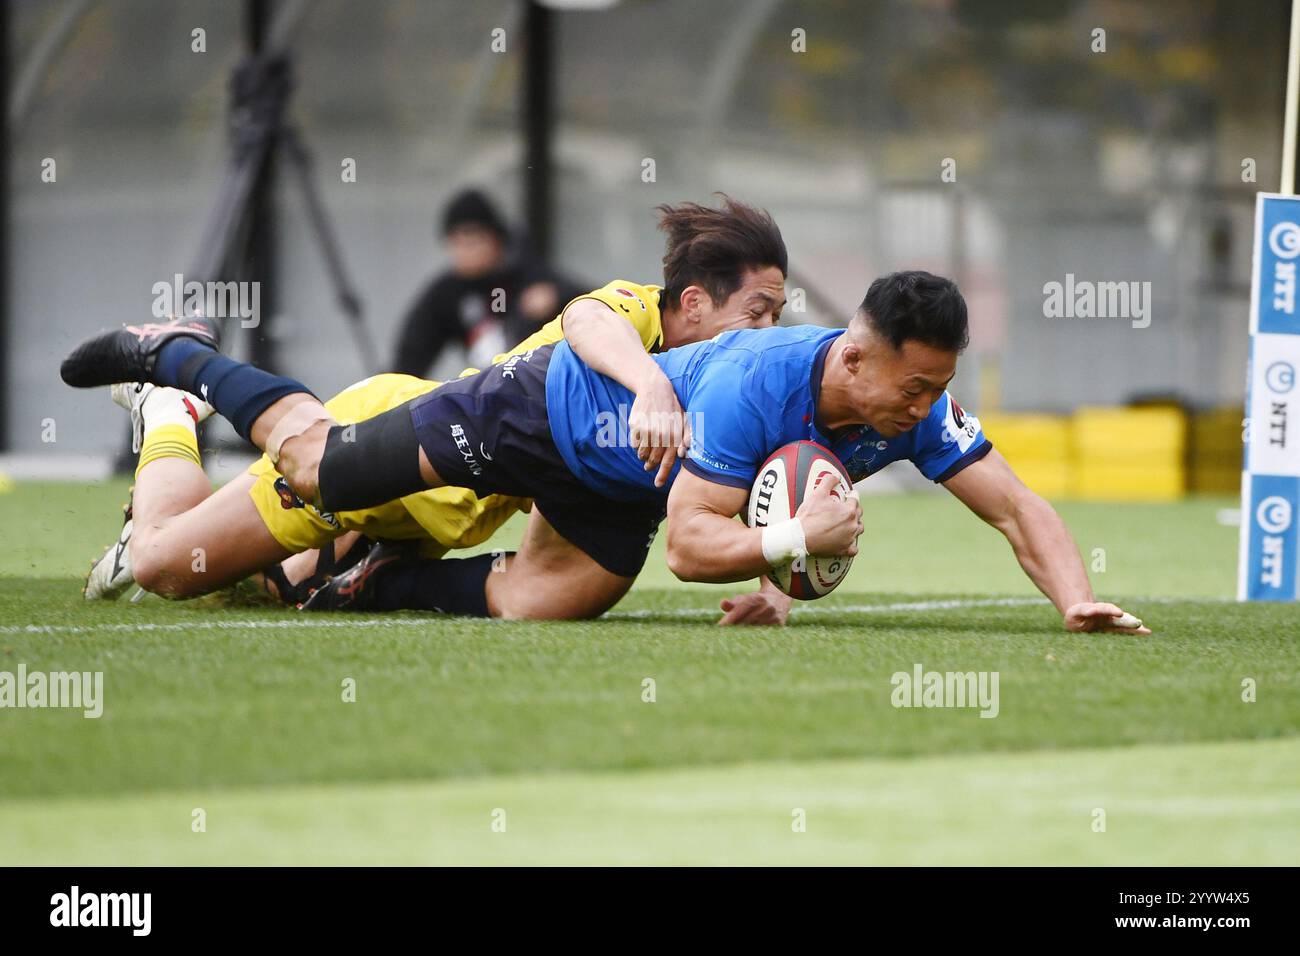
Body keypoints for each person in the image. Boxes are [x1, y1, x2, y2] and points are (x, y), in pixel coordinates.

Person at [65, 261, 1150, 635]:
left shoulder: (911, 408)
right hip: (529, 415)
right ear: (856, 356)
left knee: (545, 602)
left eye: (938, 390)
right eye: (914, 386)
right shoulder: (758, 377)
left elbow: (1017, 506)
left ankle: (358, 585)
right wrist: (792, 544)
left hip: (603, 492)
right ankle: (181, 371)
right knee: (309, 465)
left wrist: (1072, 599)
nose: (925, 411)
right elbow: (692, 544)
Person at [74, 198, 794, 622]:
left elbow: (758, 473)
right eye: (757, 314)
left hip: (445, 507)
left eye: (779, 317)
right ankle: (172, 385)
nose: (769, 336)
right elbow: (586, 323)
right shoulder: (637, 315)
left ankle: (365, 571)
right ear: (694, 304)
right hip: (399, 437)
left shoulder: (731, 383)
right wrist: (652, 388)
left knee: (269, 587)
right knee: (167, 565)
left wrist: (776, 587)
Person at [391, 188, 586, 375]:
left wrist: (556, 297)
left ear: (496, 240)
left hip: (544, 388)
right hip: (487, 394)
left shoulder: (528, 273)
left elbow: (592, 304)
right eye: (456, 243)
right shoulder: (447, 292)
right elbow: (412, 353)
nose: (465, 251)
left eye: (473, 240)